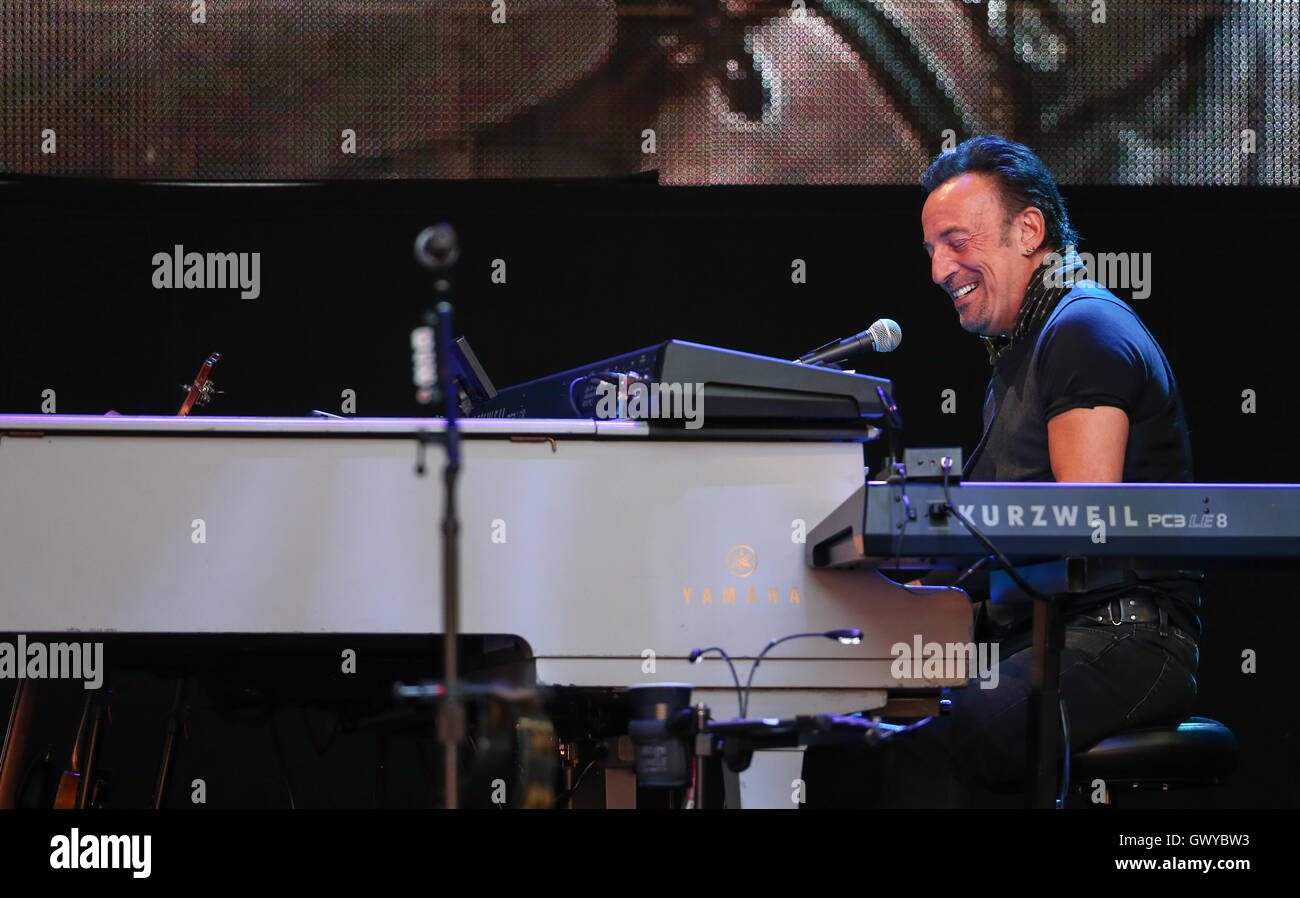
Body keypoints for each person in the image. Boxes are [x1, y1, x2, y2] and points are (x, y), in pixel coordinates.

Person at [801, 135, 1201, 807]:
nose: (938, 269)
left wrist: (919, 552)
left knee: (947, 740)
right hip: (1038, 635)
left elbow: (1081, 524)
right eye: (931, 250)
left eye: (957, 241)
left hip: (1123, 640)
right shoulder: (1020, 356)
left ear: (1029, 230)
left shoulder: (1084, 329)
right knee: (848, 739)